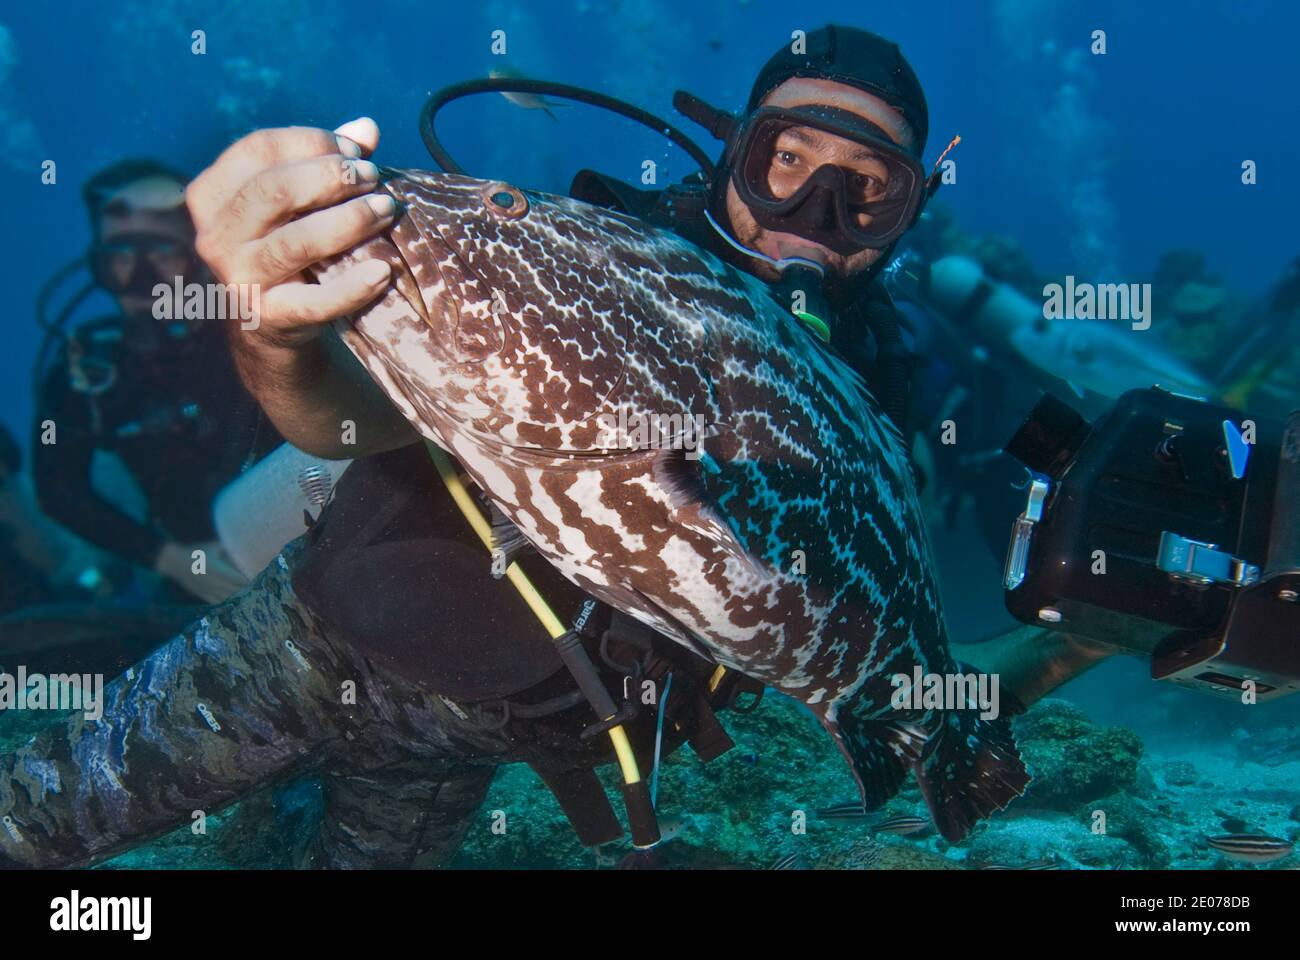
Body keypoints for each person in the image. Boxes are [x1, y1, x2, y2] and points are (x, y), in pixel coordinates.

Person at [0, 25, 1105, 870]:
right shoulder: (622, 261)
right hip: (298, 653)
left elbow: (890, 663)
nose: (814, 208)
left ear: (910, 212)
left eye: (868, 189)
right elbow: (354, 420)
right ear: (732, 151)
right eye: (784, 157)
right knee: (33, 822)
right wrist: (277, 331)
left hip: (474, 751)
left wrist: (1091, 638)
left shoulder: (875, 402)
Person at [31, 160, 280, 604]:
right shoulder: (86, 379)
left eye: (164, 254)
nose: (144, 281)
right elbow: (59, 491)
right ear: (99, 268)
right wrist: (169, 559)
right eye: (122, 258)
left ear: (198, 254)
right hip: (211, 576)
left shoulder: (259, 320)